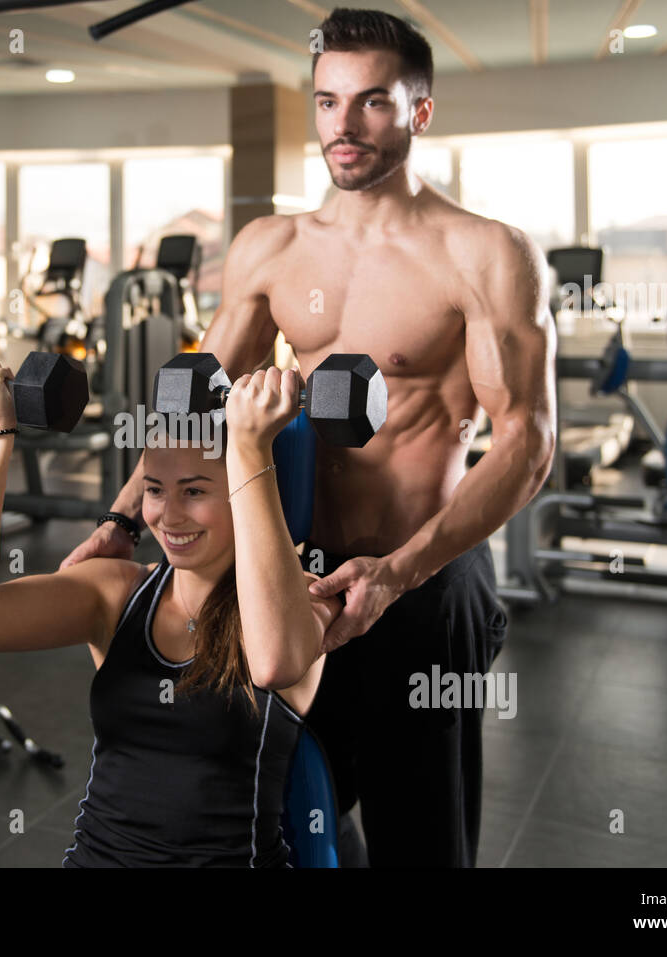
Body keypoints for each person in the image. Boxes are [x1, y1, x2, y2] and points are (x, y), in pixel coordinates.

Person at [61, 8, 556, 867]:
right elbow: (194, 403)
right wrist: (123, 521)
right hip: (294, 583)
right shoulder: (273, 247)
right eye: (328, 102)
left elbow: (527, 439)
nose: (344, 126)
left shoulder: (483, 252)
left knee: (421, 836)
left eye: (371, 103)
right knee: (284, 814)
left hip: (420, 582)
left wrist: (399, 574)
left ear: (419, 112)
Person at [0, 356, 340, 867]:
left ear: (244, 488)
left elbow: (274, 663)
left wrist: (250, 445)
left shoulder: (310, 599)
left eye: (194, 491)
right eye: (154, 489)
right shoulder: (117, 593)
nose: (167, 516)